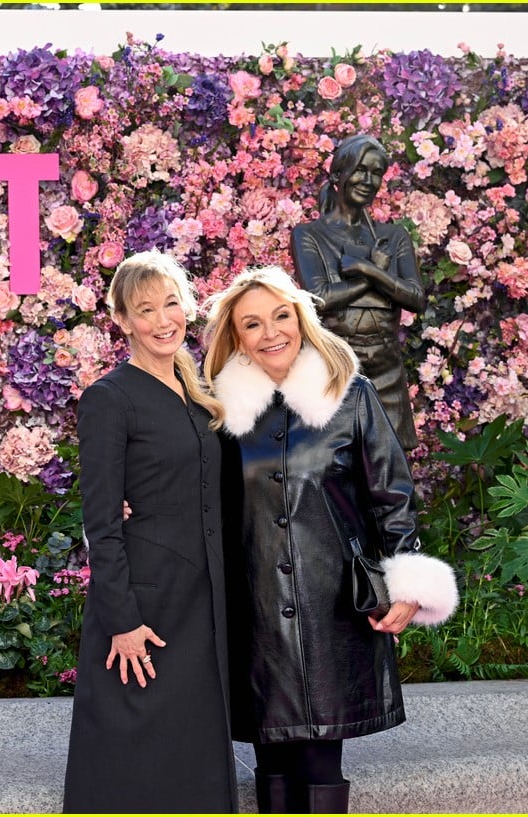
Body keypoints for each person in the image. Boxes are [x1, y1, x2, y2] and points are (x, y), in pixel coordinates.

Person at [202, 266, 458, 814]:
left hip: (332, 610)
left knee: (320, 759)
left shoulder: (351, 396)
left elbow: (392, 494)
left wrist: (407, 582)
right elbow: (189, 491)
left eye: (281, 316)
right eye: (252, 323)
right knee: (271, 757)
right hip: (253, 614)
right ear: (236, 336)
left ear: (301, 318)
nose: (271, 332)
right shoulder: (218, 412)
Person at [62, 250, 238, 814]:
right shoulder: (109, 399)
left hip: (200, 599)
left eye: (171, 304)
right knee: (133, 762)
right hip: (145, 607)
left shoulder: (198, 388)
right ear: (122, 320)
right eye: (145, 310)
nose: (163, 321)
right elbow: (101, 522)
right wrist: (122, 621)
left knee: (194, 755)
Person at [290, 134, 425, 450]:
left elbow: (415, 298)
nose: (368, 180)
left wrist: (367, 269)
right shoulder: (309, 235)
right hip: (334, 370)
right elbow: (319, 298)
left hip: (387, 369)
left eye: (376, 173)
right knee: (336, 468)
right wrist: (377, 278)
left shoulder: (394, 237)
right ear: (338, 174)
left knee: (391, 470)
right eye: (361, 170)